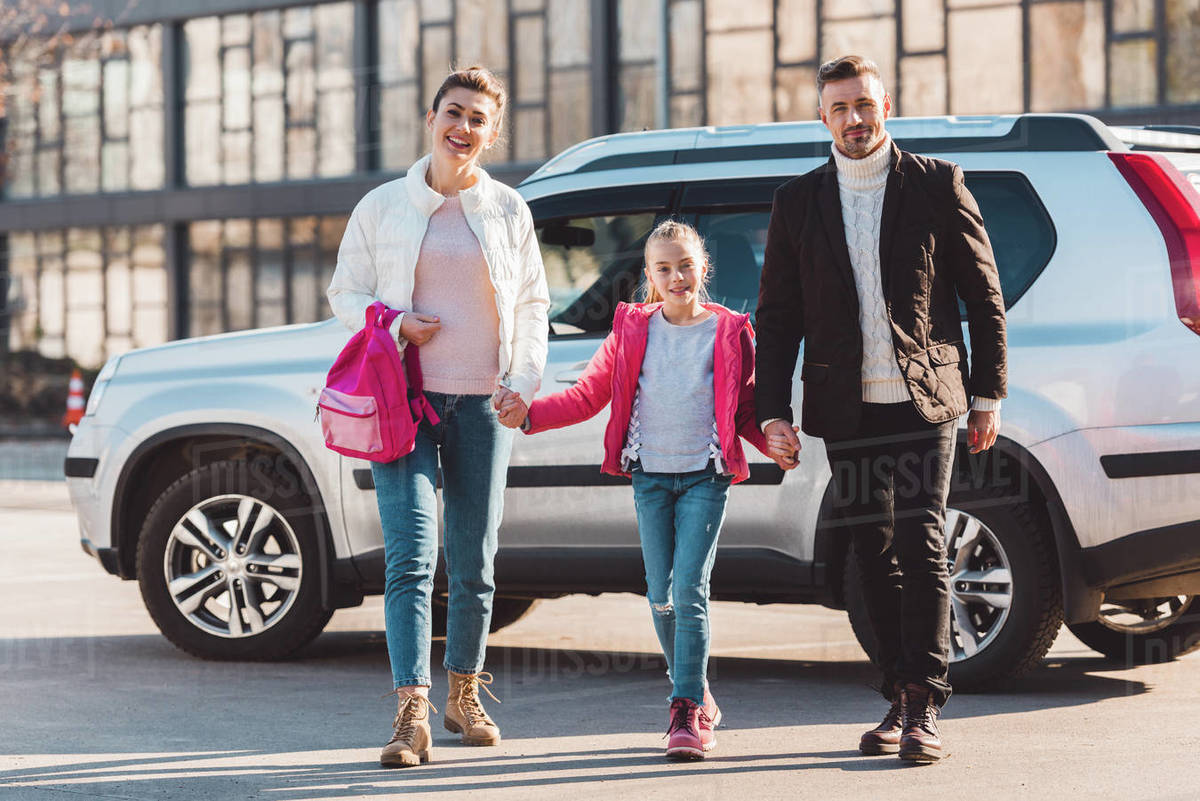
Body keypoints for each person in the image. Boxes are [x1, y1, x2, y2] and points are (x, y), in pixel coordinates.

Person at [754, 55, 1007, 762]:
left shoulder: (934, 184)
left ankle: (925, 701)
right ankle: (898, 691)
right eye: (840, 108)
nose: (854, 118)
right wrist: (770, 408)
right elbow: (776, 317)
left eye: (864, 104)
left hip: (927, 403)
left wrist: (987, 393)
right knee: (872, 551)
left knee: (925, 540)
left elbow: (983, 296)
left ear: (885, 105)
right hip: (848, 405)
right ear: (823, 117)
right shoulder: (797, 202)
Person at [326, 66, 549, 769]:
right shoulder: (384, 205)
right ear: (431, 118)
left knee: (476, 559)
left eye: (478, 119)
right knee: (410, 556)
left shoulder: (509, 208)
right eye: (454, 113)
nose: (464, 128)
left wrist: (522, 381)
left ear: (491, 131)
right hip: (407, 402)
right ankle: (411, 712)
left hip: (484, 401)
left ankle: (464, 691)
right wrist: (395, 325)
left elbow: (532, 305)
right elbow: (345, 292)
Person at [499, 220, 781, 760]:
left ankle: (684, 712)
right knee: (660, 595)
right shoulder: (631, 331)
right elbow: (586, 396)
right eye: (664, 268)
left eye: (685, 265)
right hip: (649, 476)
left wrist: (773, 440)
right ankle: (697, 689)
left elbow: (746, 411)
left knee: (689, 593)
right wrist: (528, 414)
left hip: (705, 473)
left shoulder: (729, 330)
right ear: (650, 275)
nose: (677, 277)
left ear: (704, 267)